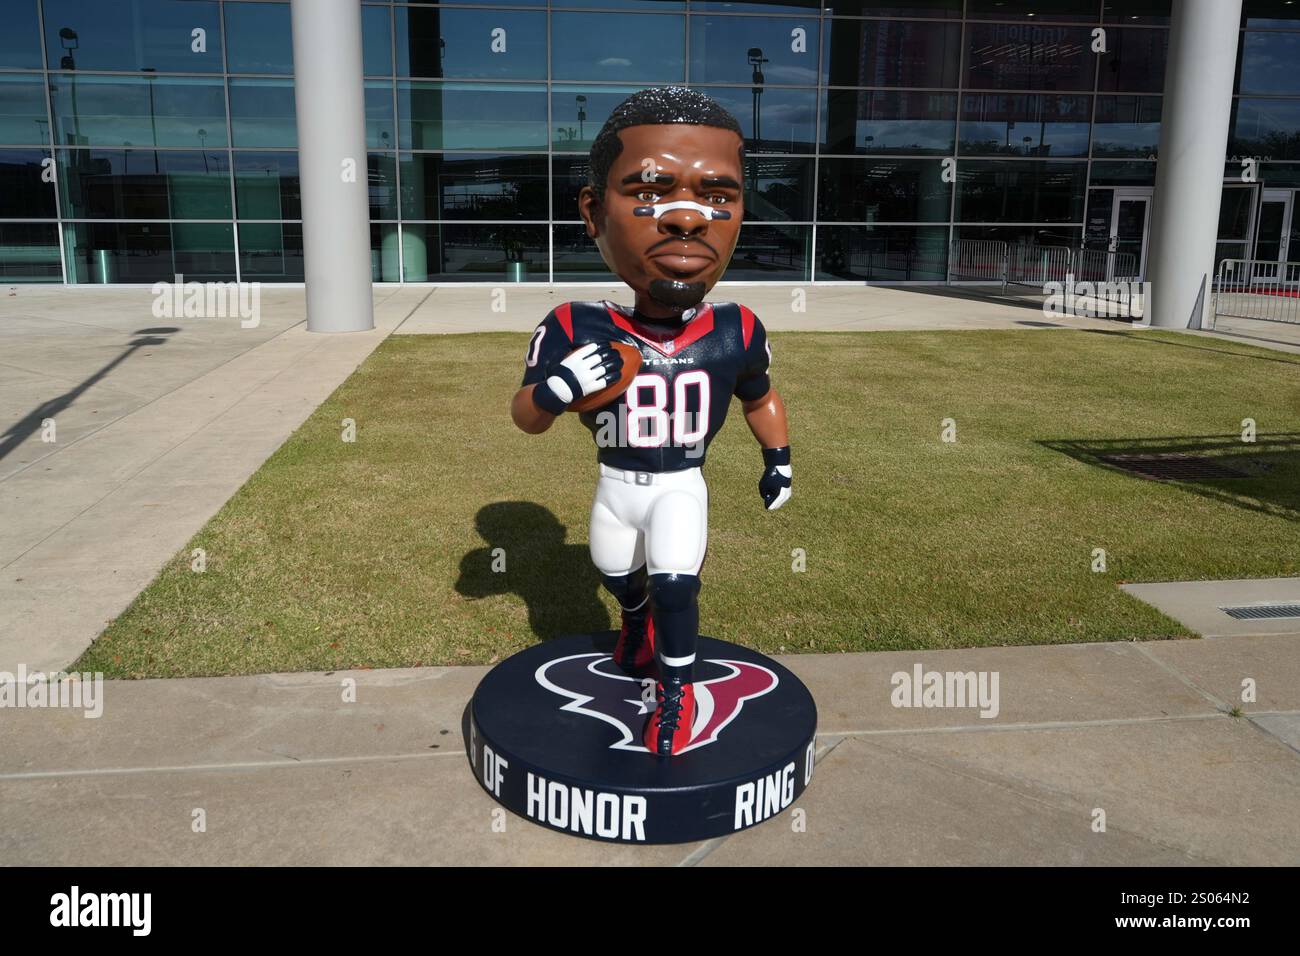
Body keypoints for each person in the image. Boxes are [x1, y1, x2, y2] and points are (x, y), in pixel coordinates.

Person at [509, 87, 792, 756]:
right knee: (616, 572)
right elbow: (526, 417)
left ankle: (678, 694)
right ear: (593, 212)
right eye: (650, 190)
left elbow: (758, 395)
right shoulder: (575, 325)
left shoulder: (737, 327)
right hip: (615, 484)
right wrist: (559, 387)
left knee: (675, 583)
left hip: (678, 484)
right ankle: (632, 622)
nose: (688, 218)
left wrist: (777, 457)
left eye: (718, 196)